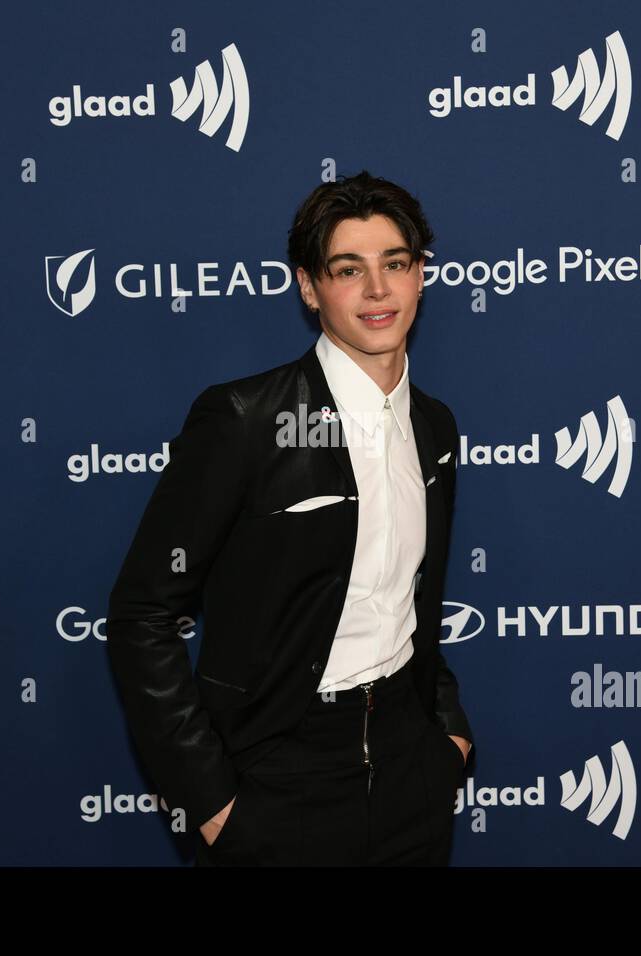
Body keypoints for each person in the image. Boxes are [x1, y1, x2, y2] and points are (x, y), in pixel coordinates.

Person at [106, 170, 474, 865]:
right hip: (280, 778)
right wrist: (212, 802)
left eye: (395, 264)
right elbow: (142, 615)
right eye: (347, 269)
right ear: (309, 287)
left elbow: (414, 597)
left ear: (421, 275)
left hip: (410, 767)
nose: (376, 290)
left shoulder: (434, 426)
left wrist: (446, 734)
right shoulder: (245, 420)